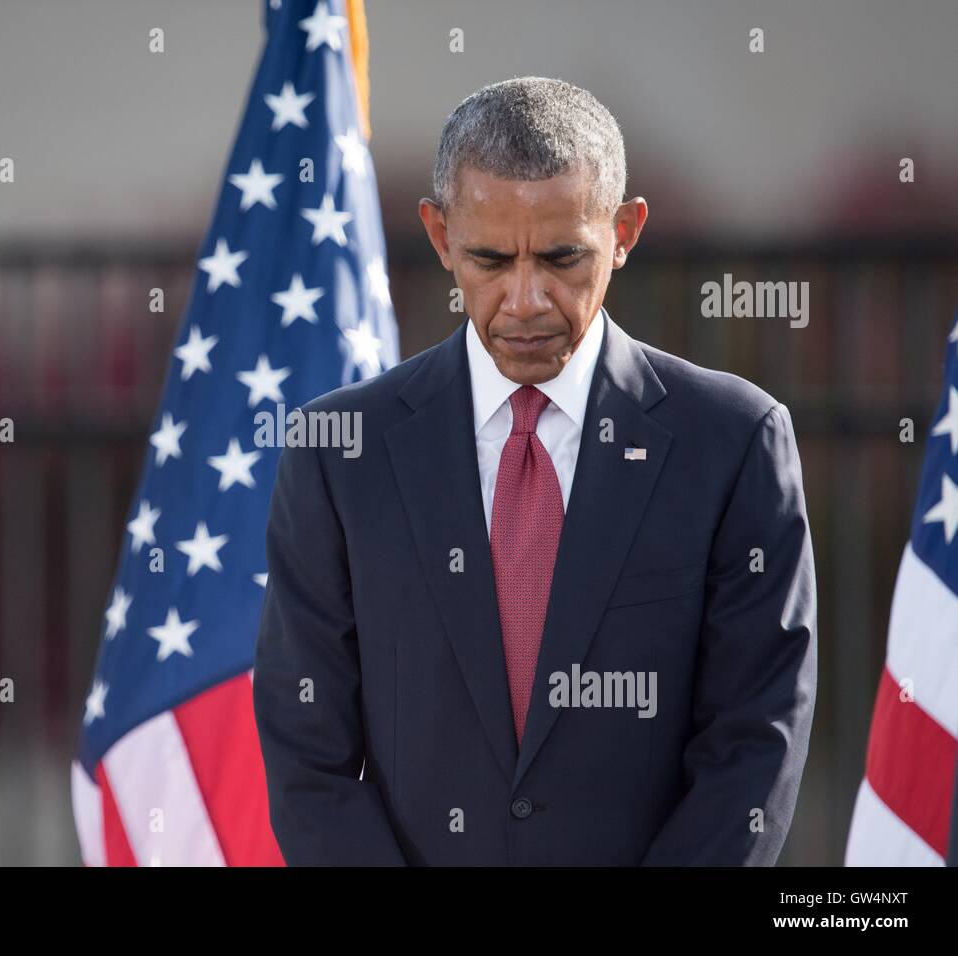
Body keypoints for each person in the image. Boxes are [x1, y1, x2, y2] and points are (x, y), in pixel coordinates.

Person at [252, 76, 817, 865]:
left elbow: (755, 743)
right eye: (489, 259)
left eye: (561, 258)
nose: (525, 301)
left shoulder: (735, 441)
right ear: (440, 236)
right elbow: (305, 753)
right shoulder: (337, 451)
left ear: (624, 231)